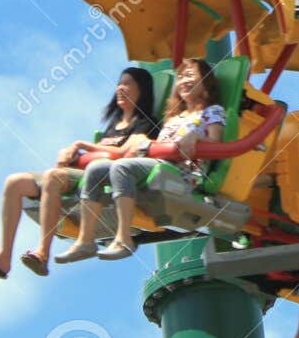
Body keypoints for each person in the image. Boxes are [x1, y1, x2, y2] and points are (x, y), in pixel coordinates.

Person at [0, 67, 160, 279]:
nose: (121, 88)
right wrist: (71, 153)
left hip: (104, 179)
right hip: (83, 175)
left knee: (52, 177)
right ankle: (3, 257)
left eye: (128, 84)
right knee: (15, 182)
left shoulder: (145, 123)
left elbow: (125, 153)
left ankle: (42, 252)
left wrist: (83, 146)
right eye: (119, 83)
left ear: (142, 90)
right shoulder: (113, 127)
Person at [56, 58, 227, 264]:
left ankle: (123, 239)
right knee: (97, 169)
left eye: (190, 76)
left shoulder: (211, 111)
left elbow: (216, 142)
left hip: (183, 172)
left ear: (206, 81)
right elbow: (146, 148)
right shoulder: (173, 118)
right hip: (158, 163)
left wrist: (196, 137)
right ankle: (85, 241)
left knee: (121, 168)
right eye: (180, 77)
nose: (184, 81)